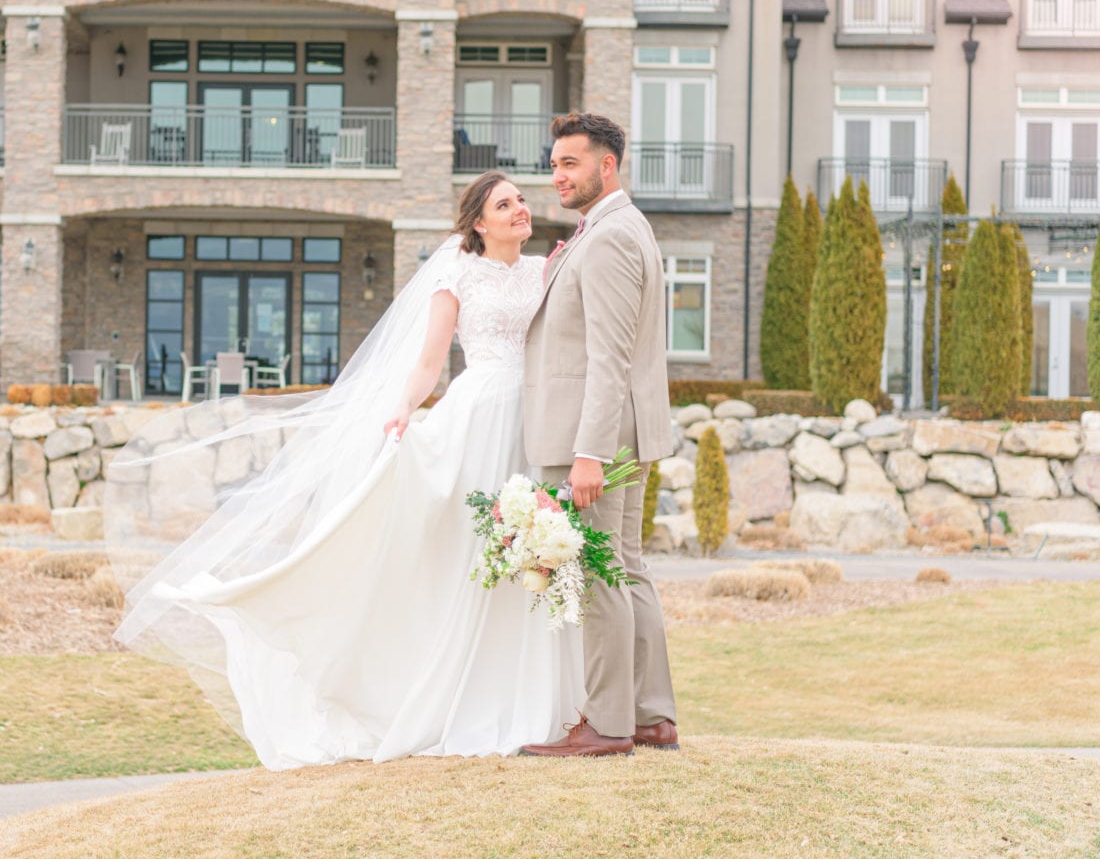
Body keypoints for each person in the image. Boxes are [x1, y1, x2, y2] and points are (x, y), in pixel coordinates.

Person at [106, 171, 583, 770]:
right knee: (469, 554)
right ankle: (445, 692)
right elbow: (429, 362)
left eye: (521, 201)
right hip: (480, 415)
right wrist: (403, 413)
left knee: (530, 553)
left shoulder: (546, 269)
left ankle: (530, 701)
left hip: (534, 421)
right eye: (504, 204)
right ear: (479, 223)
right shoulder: (455, 272)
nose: (521, 209)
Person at [520, 112, 679, 759]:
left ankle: (608, 724)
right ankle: (650, 716)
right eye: (555, 163)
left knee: (599, 571)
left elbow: (609, 358)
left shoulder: (611, 237)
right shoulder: (612, 228)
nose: (558, 175)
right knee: (628, 569)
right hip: (621, 434)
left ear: (606, 166)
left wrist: (589, 454)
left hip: (600, 440)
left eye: (571, 163)